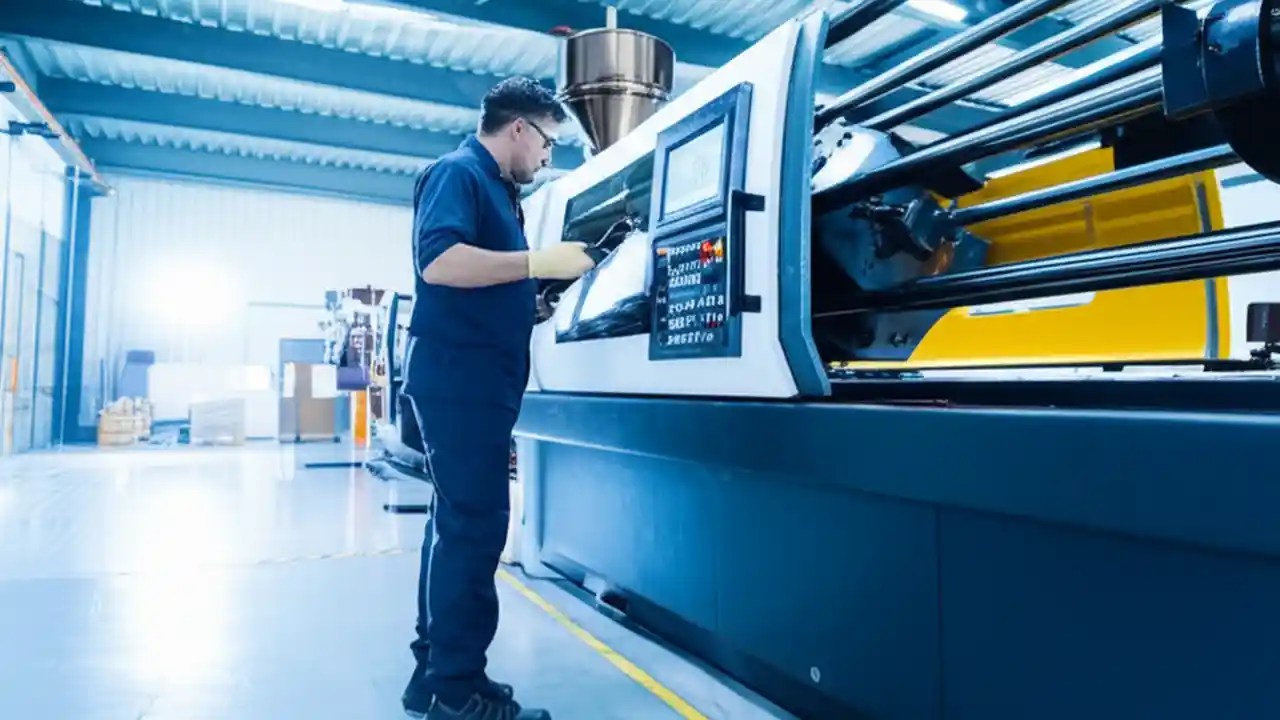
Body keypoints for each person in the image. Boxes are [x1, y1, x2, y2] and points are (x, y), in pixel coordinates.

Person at [399, 77, 598, 720]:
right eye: (547, 143)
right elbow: (442, 264)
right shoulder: (459, 173)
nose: (548, 157)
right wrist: (537, 262)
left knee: (453, 529)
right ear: (519, 128)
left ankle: (431, 678)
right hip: (461, 384)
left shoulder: (498, 191)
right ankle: (459, 693)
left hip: (470, 380)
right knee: (476, 532)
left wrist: (532, 303)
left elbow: (481, 287)